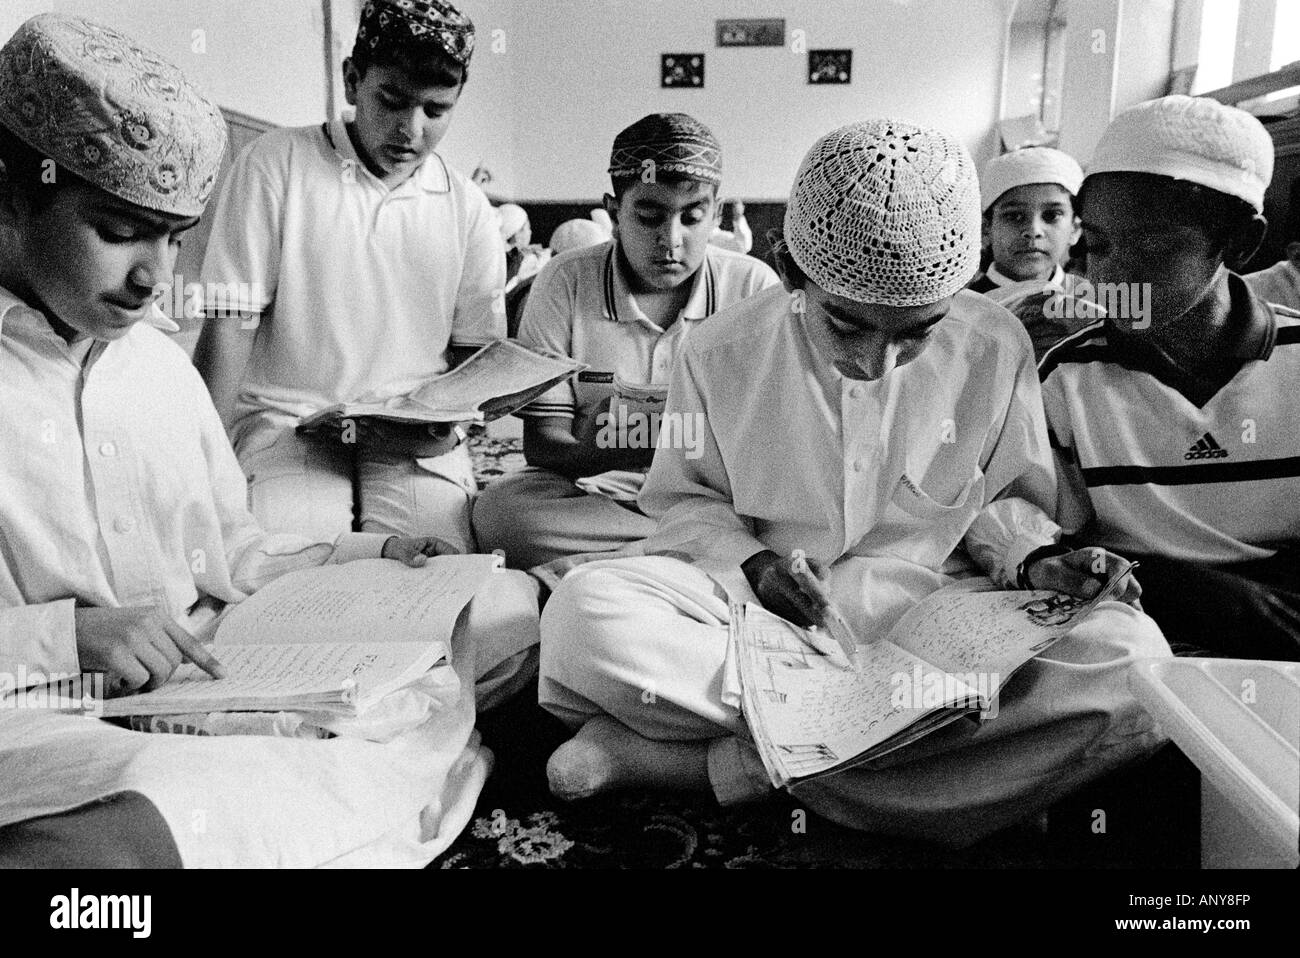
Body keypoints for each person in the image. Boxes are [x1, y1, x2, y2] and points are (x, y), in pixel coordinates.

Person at [536, 119, 1170, 847]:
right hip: (758, 619)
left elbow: (1004, 500)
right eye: (847, 326)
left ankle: (707, 764)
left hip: (937, 611)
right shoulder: (720, 352)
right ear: (789, 267)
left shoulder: (994, 343)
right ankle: (927, 758)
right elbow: (684, 500)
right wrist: (757, 565)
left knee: (1133, 666)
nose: (880, 363)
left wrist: (1031, 557)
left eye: (918, 332)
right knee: (585, 615)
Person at [0, 13, 539, 868]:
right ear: (12, 194)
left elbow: (233, 555)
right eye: (117, 230)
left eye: (175, 239)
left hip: (197, 679)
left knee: (486, 621)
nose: (155, 281)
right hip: (41, 708)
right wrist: (70, 639)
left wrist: (361, 557)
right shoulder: (280, 168)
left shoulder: (150, 368)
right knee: (172, 789)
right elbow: (234, 338)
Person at [194, 0, 503, 552]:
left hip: (410, 434)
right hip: (287, 421)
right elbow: (228, 328)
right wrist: (201, 464)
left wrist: (444, 425)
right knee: (298, 558)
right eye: (392, 101)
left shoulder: (469, 208)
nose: (412, 130)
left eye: (436, 110)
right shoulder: (276, 164)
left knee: (430, 566)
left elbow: (473, 364)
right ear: (353, 80)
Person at [1039, 95, 1300, 661]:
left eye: (1151, 247)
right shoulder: (1069, 378)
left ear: (1239, 242)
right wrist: (1178, 589)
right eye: (1099, 245)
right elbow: (1055, 540)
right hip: (1136, 627)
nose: (1110, 274)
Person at [473, 114, 779, 572]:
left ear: (716, 214)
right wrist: (608, 448)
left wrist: (686, 446)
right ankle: (700, 558)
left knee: (784, 516)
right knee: (502, 514)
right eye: (649, 217)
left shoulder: (753, 286)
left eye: (692, 217)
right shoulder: (565, 281)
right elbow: (544, 445)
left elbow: (775, 442)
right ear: (614, 213)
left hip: (716, 498)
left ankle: (630, 560)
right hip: (601, 493)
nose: (671, 241)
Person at [969, 147, 1090, 359]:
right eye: (1014, 216)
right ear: (986, 228)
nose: (1033, 231)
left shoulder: (1096, 300)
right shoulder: (962, 306)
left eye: (1051, 215)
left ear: (1075, 229)